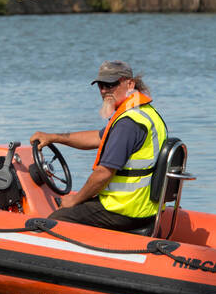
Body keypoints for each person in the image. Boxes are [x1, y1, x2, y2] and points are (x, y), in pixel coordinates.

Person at [30, 60, 167, 233]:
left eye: (111, 84)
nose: (104, 90)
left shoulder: (128, 124)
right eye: (101, 85)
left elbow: (103, 174)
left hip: (124, 210)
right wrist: (55, 137)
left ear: (130, 84)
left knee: (57, 220)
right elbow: (97, 137)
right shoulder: (144, 113)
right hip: (144, 208)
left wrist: (74, 200)